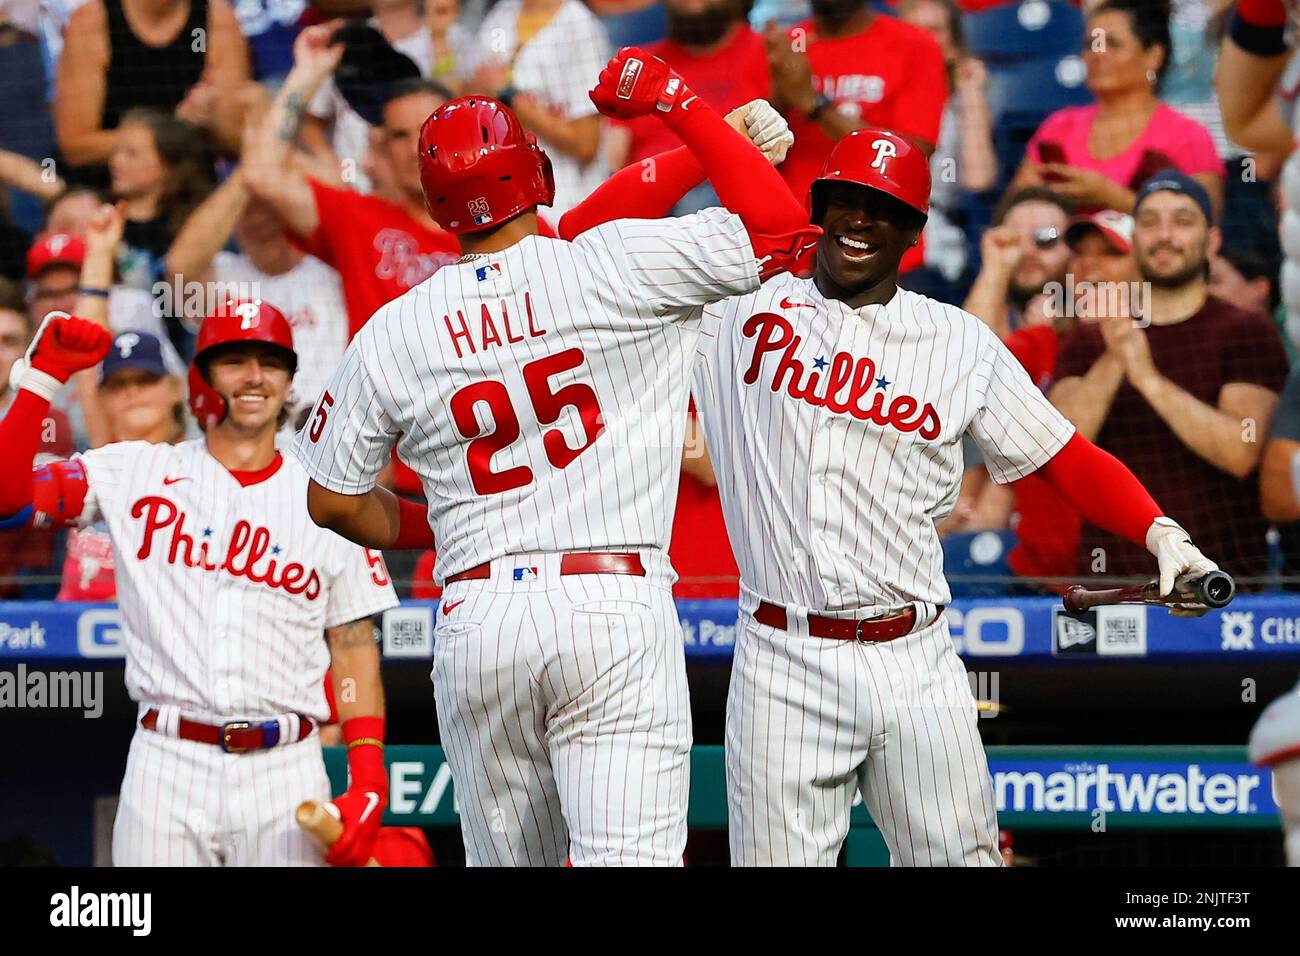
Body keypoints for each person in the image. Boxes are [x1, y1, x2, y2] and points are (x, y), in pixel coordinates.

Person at [292, 49, 818, 865]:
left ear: (438, 209)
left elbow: (329, 500)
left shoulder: (393, 327)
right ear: (537, 177)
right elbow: (784, 230)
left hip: (475, 613)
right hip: (611, 604)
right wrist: (688, 110)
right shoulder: (610, 264)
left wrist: (439, 530)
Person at [682, 128, 1221, 865]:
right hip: (782, 650)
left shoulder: (956, 341)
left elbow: (1063, 456)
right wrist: (686, 120)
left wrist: (1159, 532)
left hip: (916, 656)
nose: (859, 220)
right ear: (820, 208)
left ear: (913, 231)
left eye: (882, 207)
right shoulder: (736, 311)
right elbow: (586, 240)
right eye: (845, 200)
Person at [0, 301, 399, 867]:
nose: (254, 376)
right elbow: (8, 499)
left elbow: (354, 645)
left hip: (286, 768)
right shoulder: (134, 471)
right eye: (233, 360)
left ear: (289, 380)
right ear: (202, 377)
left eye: (269, 361)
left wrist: (368, 780)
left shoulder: (327, 496)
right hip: (167, 760)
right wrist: (41, 380)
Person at [1051, 170, 1288, 584]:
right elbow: (1058, 451)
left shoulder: (1246, 329)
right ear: (1135, 240)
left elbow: (1240, 452)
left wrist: (1148, 378)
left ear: (1212, 241)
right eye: (1149, 222)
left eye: (1182, 221)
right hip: (1113, 585)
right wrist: (1115, 357)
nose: (1164, 235)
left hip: (1225, 580)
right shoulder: (1089, 340)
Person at [243, 25, 462, 342]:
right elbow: (261, 174)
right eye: (400, 135)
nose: (416, 145)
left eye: (428, 127)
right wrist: (307, 74)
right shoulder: (358, 219)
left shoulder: (513, 228)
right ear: (383, 148)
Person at [764, 0, 948, 275]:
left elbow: (911, 155)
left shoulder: (915, 44)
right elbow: (752, 152)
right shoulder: (785, 45)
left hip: (880, 247)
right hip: (790, 249)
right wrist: (778, 97)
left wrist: (813, 103)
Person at [1009, 0, 1226, 219]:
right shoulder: (1058, 127)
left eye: (1112, 43)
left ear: (1153, 56)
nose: (1097, 54)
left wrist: (1114, 199)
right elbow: (1013, 211)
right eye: (1090, 44)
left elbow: (1203, 226)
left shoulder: (1187, 136)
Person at [165, 167, 350, 417]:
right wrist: (247, 173)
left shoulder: (333, 266)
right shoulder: (223, 275)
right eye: (245, 210)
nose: (257, 220)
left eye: (268, 207)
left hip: (332, 434)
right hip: (248, 437)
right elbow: (178, 267)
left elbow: (349, 208)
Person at [56, 330, 187, 602]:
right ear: (101, 399)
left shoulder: (198, 468)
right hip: (66, 625)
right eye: (118, 384)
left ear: (176, 388)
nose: (132, 391)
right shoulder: (93, 463)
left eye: (146, 379)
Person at [606, 0, 772, 214]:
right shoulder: (636, 65)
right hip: (647, 207)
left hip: (726, 205)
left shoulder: (771, 54)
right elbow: (611, 159)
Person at [55, 0, 250, 180]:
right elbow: (76, 146)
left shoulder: (217, 21)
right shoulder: (92, 22)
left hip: (189, 194)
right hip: (107, 193)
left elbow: (239, 142)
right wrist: (171, 132)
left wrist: (213, 121)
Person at [471, 0, 612, 215]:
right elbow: (474, 88)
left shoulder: (580, 26)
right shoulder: (501, 15)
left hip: (564, 199)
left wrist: (508, 96)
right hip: (503, 190)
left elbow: (586, 144)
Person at [896, 0, 996, 298]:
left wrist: (970, 91)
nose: (923, 39)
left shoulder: (960, 102)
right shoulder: (883, 97)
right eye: (913, 30)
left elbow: (979, 179)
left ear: (953, 45)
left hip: (935, 243)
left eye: (935, 30)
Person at [0, 285, 73, 598]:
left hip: (33, 587)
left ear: (24, 351)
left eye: (7, 342)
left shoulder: (49, 421)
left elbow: (21, 510)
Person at [108, 109, 216, 297]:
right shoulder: (103, 220)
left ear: (167, 164)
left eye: (131, 154)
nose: (116, 161)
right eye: (116, 152)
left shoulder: (191, 224)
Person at [962, 187, 1074, 339]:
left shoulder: (1092, 310)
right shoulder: (988, 305)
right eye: (1014, 239)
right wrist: (994, 267)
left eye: (1045, 238)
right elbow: (969, 349)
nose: (1027, 252)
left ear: (1073, 248)